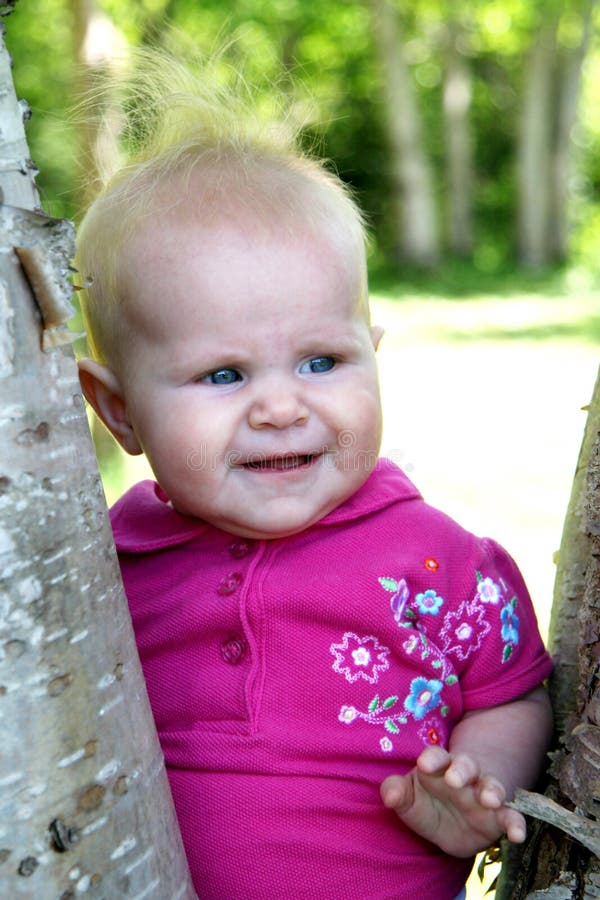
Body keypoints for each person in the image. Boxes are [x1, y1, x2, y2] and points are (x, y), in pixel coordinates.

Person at [76, 50, 553, 900]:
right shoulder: (102, 567)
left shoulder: (439, 561)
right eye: (224, 376)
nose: (279, 407)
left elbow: (513, 692)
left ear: (372, 357)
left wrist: (477, 784)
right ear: (118, 413)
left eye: (322, 361)